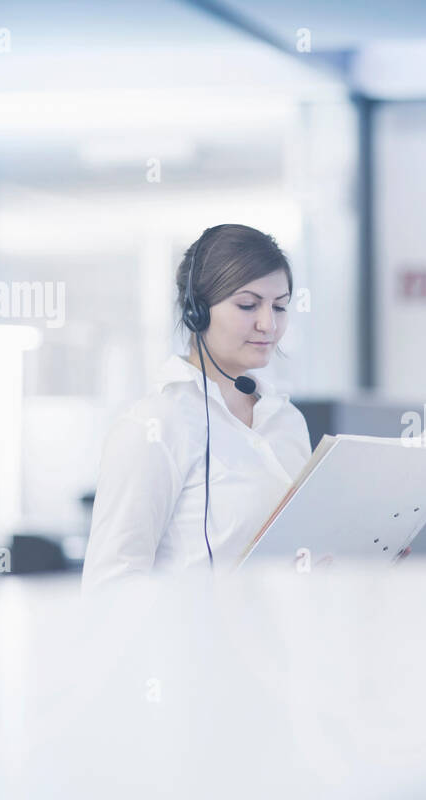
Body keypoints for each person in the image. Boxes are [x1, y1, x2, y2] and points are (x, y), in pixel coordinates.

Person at [81, 224, 312, 591]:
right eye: (248, 305)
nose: (268, 324)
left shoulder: (288, 421)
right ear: (197, 311)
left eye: (279, 307)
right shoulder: (154, 425)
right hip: (193, 646)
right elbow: (109, 586)